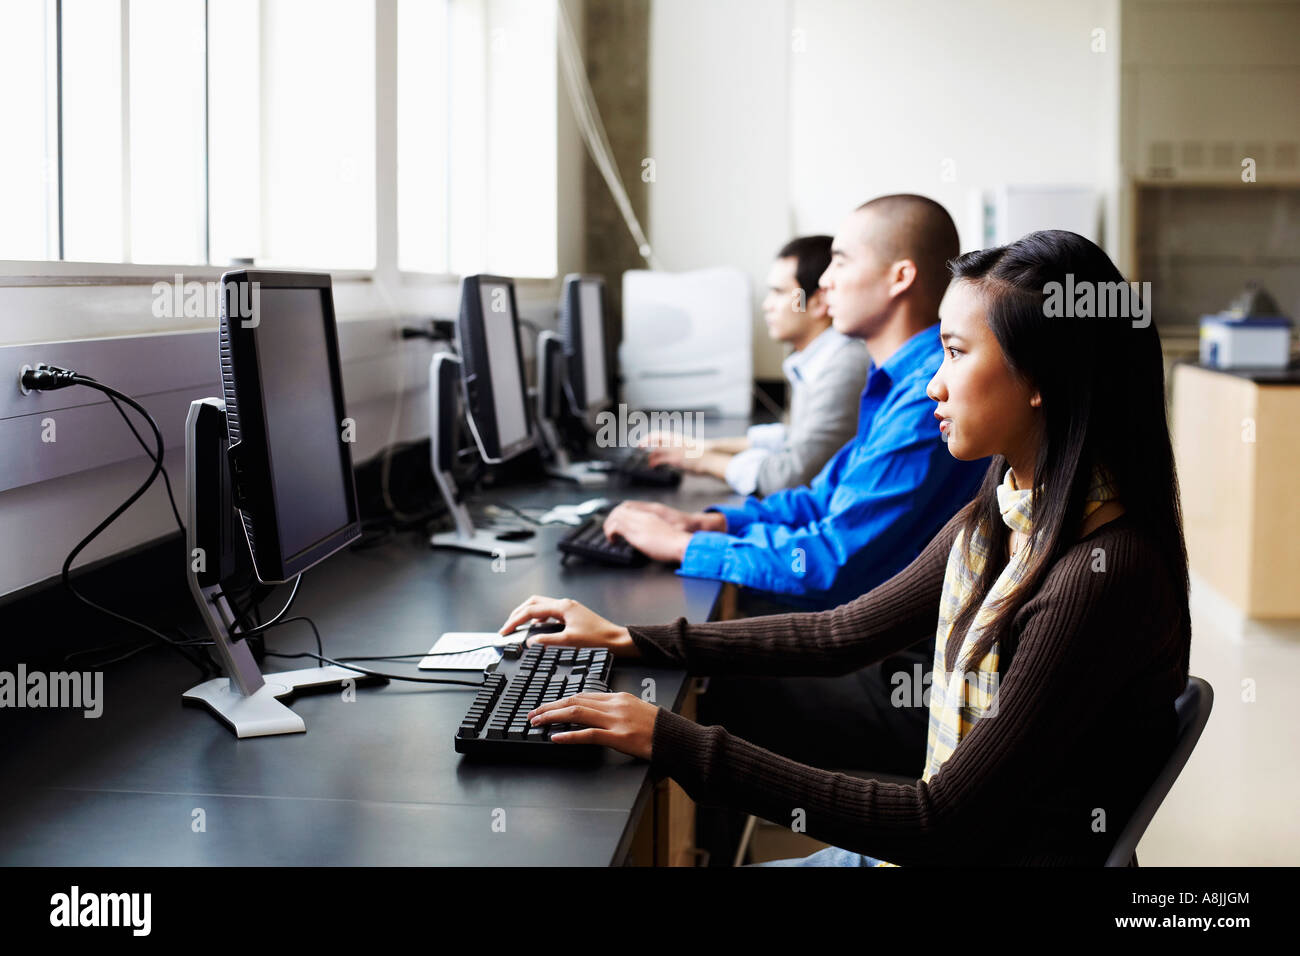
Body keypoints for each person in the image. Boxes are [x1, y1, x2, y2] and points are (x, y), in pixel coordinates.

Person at [501, 230, 1191, 866]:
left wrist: (672, 737)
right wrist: (632, 638)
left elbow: (937, 819)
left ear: (1044, 378)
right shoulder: (1007, 511)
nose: (933, 384)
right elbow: (843, 632)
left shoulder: (1101, 573)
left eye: (955, 352)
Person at [601, 195, 986, 611]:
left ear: (899, 277)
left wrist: (684, 546)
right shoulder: (895, 383)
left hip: (880, 653)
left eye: (840, 262)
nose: (824, 283)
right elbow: (822, 500)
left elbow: (833, 561)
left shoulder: (925, 395)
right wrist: (712, 522)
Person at [645, 236, 869, 497]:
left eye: (779, 292)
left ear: (818, 302)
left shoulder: (844, 365)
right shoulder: (819, 359)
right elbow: (798, 438)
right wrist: (706, 447)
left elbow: (790, 475)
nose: (767, 305)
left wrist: (701, 460)